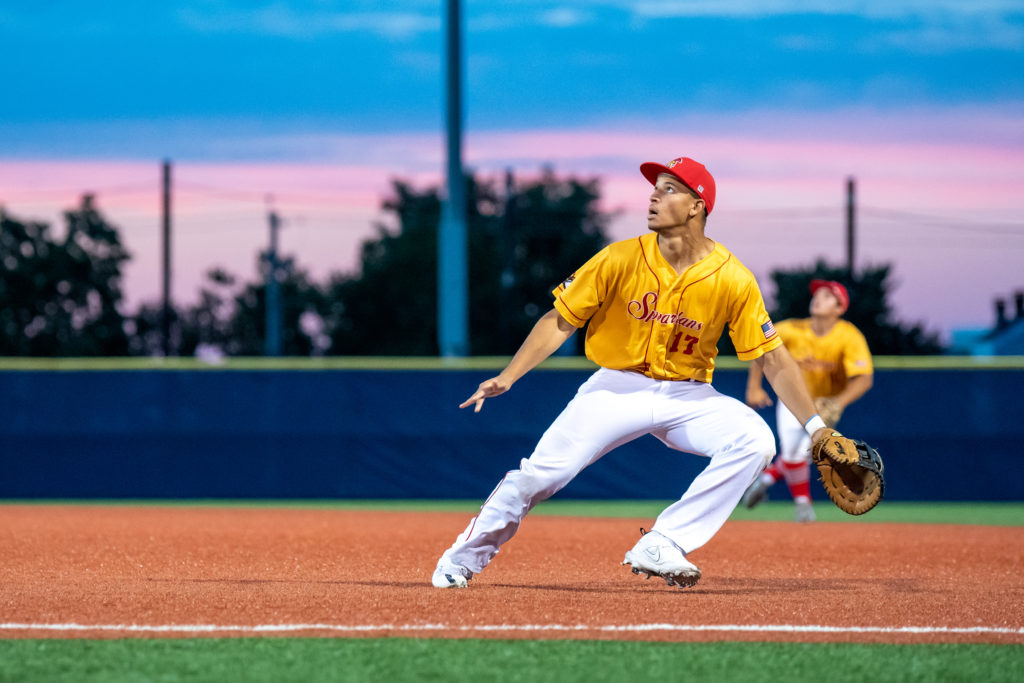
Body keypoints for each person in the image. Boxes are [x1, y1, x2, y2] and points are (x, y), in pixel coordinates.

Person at [431, 155, 839, 590]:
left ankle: (664, 541)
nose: (653, 195)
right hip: (616, 388)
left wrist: (815, 428)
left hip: (689, 396)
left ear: (697, 205)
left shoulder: (733, 278)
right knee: (541, 475)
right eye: (655, 187)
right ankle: (460, 560)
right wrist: (510, 375)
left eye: (668, 189)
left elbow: (774, 357)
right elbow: (561, 319)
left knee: (756, 440)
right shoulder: (620, 257)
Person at [741, 280, 874, 522]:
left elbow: (863, 379)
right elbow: (761, 349)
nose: (818, 298)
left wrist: (838, 402)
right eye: (817, 294)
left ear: (840, 307)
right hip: (792, 400)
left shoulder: (849, 336)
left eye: (827, 295)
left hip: (824, 405)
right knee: (796, 454)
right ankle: (804, 506)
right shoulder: (792, 329)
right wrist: (754, 386)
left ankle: (766, 479)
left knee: (798, 454)